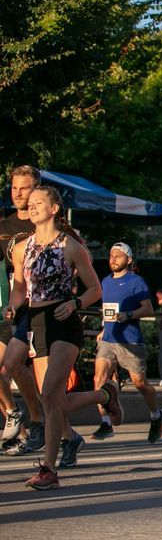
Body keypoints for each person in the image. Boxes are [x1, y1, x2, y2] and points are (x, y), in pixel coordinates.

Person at [2, 186, 121, 489]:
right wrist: (14, 305)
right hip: (34, 319)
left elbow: (96, 289)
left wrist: (76, 303)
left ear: (54, 209)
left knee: (51, 394)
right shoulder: (20, 248)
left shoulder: (71, 246)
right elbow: (19, 286)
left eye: (39, 202)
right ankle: (104, 395)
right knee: (18, 370)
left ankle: (49, 470)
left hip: (64, 321)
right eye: (29, 204)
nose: (32, 207)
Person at [91, 242, 162, 443]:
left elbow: (148, 309)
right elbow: (107, 310)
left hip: (131, 341)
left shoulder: (136, 281)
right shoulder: (105, 281)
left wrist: (129, 314)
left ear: (129, 260)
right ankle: (106, 422)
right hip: (108, 340)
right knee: (99, 379)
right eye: (110, 255)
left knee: (140, 383)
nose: (113, 259)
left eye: (118, 256)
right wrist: (103, 329)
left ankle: (156, 415)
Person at [0, 165, 44, 454]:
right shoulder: (4, 228)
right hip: (13, 308)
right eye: (14, 187)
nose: (17, 193)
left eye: (24, 188)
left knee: (50, 389)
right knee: (10, 365)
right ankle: (17, 416)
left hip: (43, 310)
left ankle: (56, 431)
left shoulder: (46, 222)